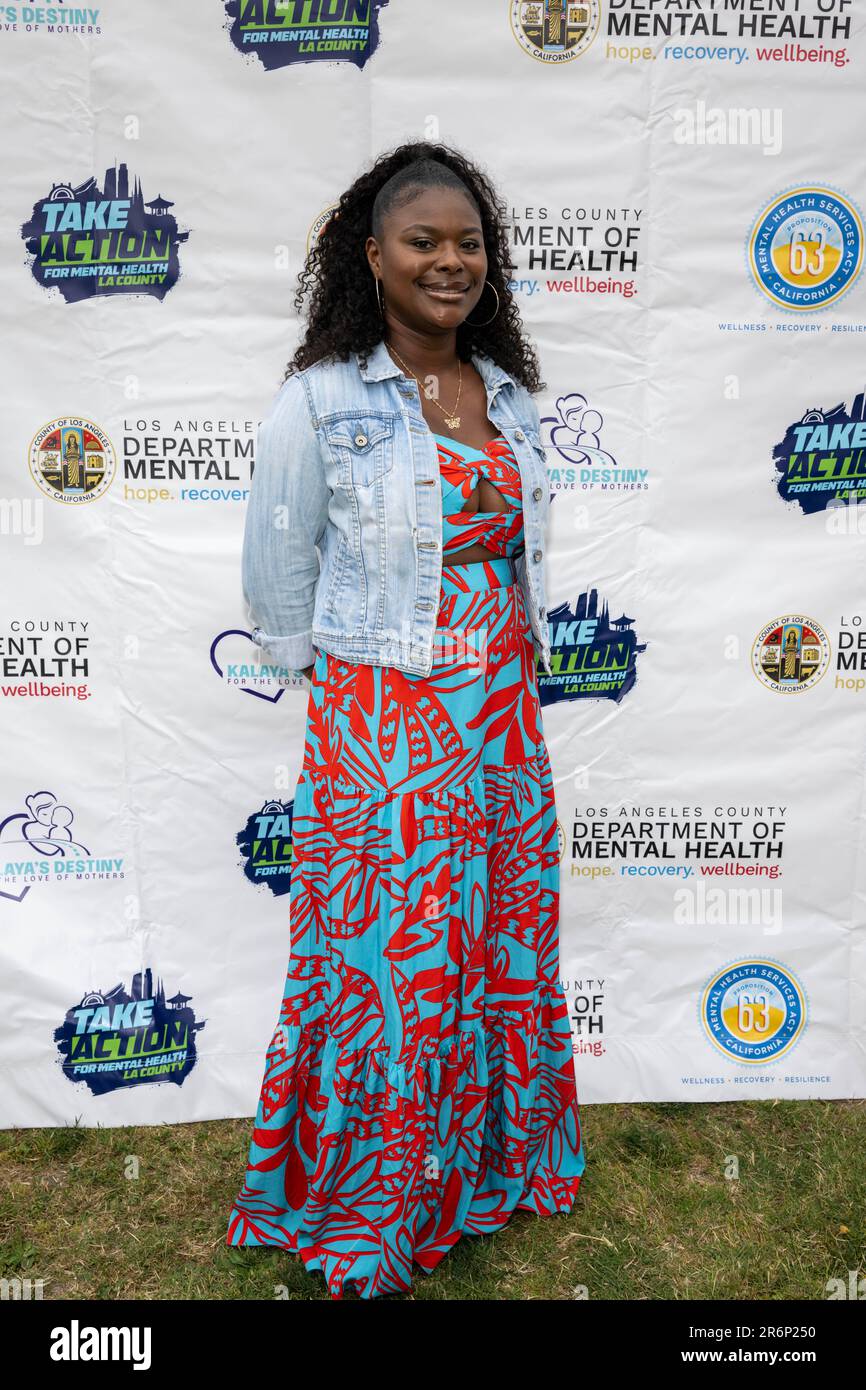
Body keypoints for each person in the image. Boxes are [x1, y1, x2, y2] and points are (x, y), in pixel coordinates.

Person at [226, 140, 585, 1299]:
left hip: (500, 725)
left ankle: (489, 1170)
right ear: (369, 254)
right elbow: (277, 568)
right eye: (422, 240)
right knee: (393, 965)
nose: (448, 261)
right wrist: (337, 702)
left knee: (491, 949)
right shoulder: (320, 398)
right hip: (383, 722)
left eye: (467, 241)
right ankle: (373, 1204)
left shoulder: (508, 390)